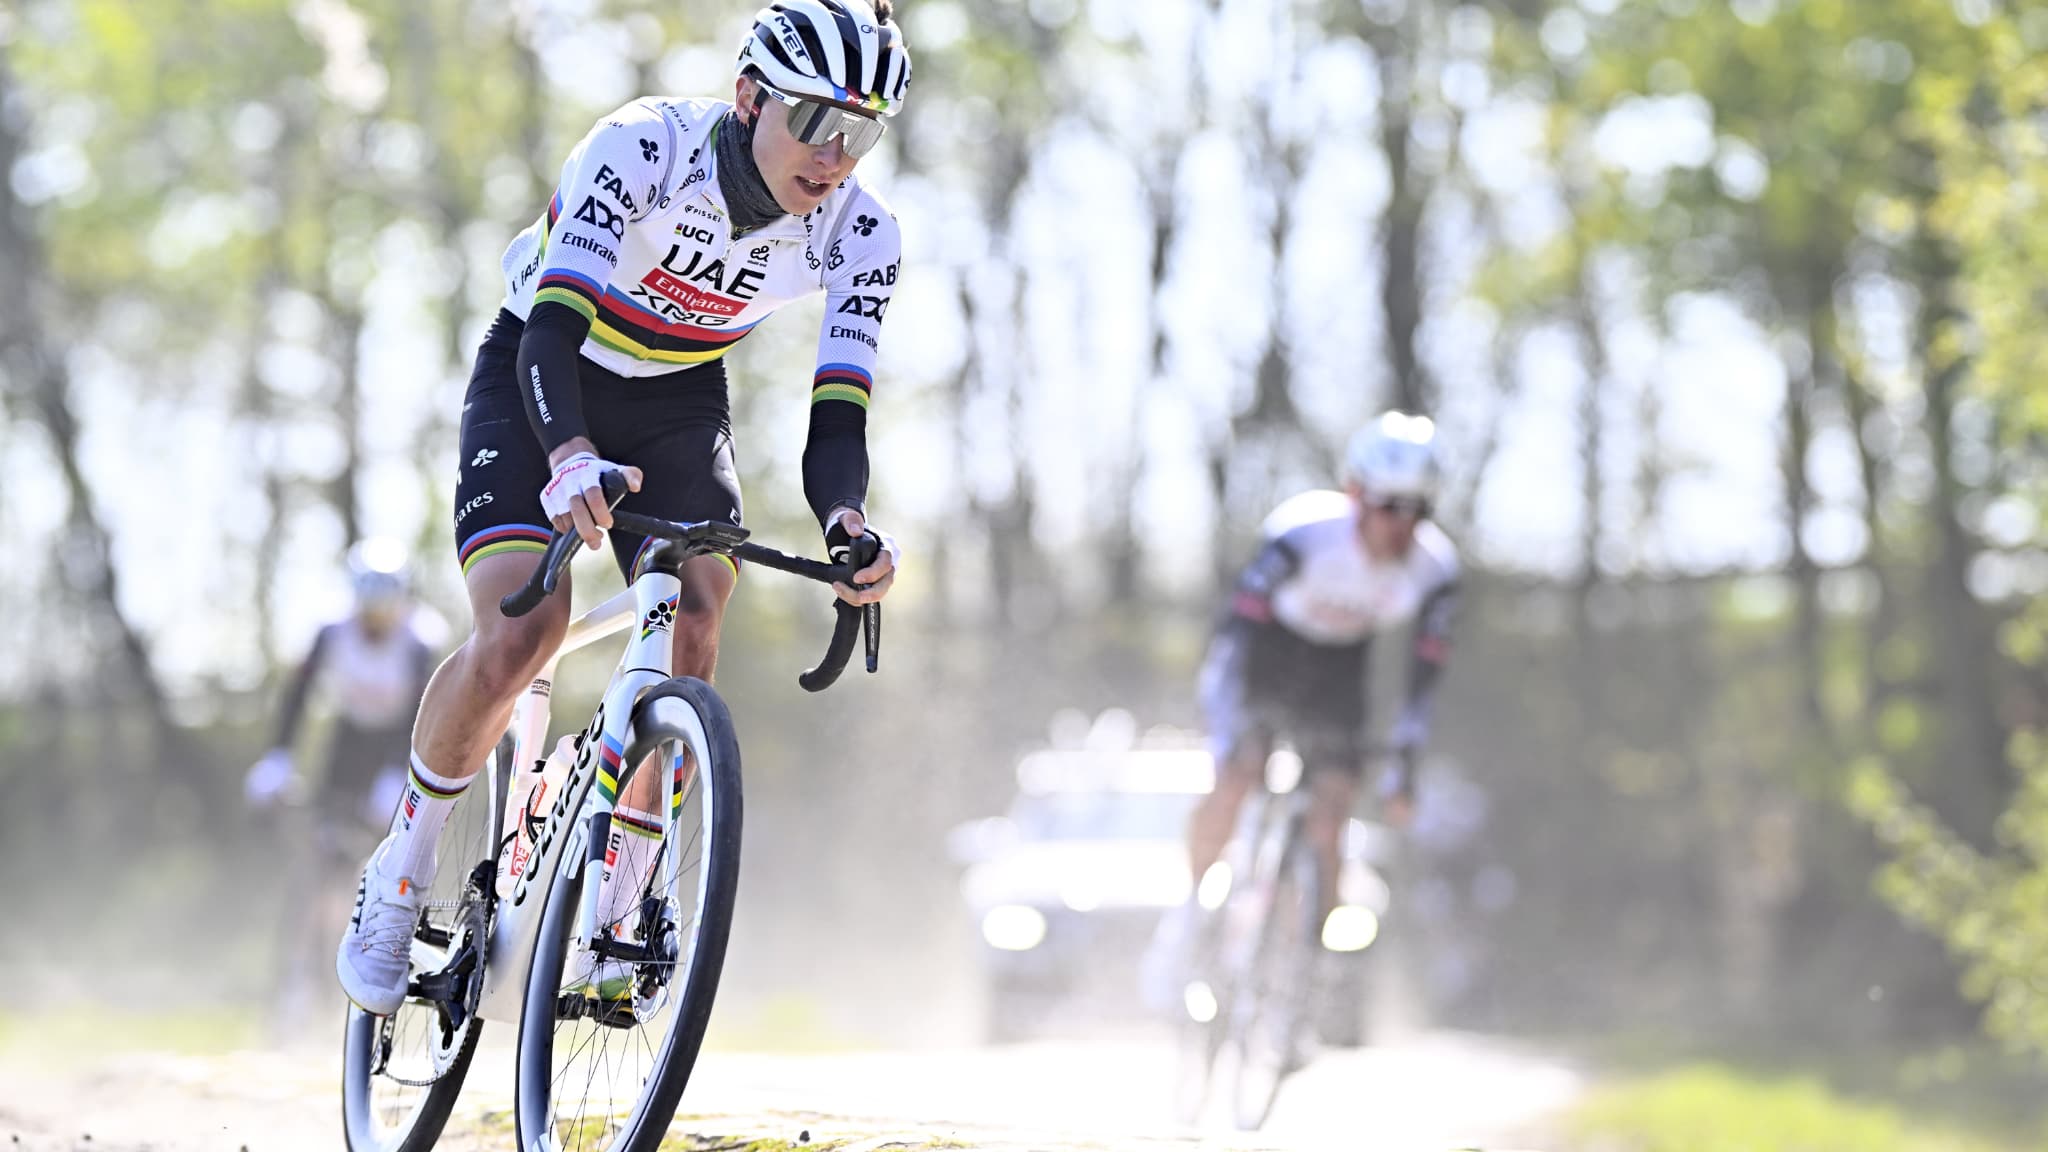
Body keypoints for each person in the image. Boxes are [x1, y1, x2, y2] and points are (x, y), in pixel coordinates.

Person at [336, 0, 909, 1015]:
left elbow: (837, 418)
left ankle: (624, 908)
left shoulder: (861, 232)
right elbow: (550, 333)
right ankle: (400, 875)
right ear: (747, 98)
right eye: (818, 122)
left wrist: (847, 528)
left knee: (694, 608)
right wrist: (564, 460)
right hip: (541, 372)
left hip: (678, 400)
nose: (836, 157)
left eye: (862, 133)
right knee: (523, 630)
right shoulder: (641, 147)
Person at [1146, 411, 1460, 1007]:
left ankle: (1301, 975)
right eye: (1390, 505)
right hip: (1268, 655)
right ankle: (1188, 917)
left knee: (1332, 813)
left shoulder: (1436, 570)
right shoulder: (1304, 534)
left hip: (1340, 673)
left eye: (1420, 509)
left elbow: (1424, 679)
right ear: (1355, 494)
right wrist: (1226, 718)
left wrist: (1406, 761)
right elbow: (1236, 636)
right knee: (1238, 775)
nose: (1403, 525)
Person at [245, 537, 437, 1031]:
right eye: (367, 613)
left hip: (397, 749)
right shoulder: (330, 632)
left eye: (384, 614)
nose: (374, 625)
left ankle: (367, 985)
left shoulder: (420, 639)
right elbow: (300, 695)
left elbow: (427, 708)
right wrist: (279, 755)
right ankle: (295, 987)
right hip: (345, 748)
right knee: (317, 867)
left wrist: (402, 769)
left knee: (375, 871)